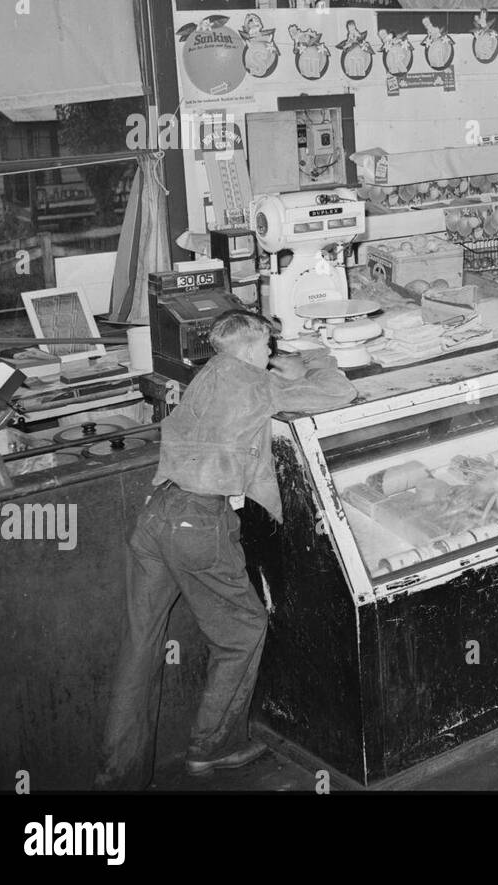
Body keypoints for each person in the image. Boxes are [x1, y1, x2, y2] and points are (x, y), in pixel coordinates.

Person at [94, 310, 357, 788]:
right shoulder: (254, 382)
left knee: (140, 646)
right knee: (243, 632)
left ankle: (118, 777)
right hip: (198, 520)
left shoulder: (209, 372)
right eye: (267, 347)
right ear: (251, 347)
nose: (270, 354)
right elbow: (341, 392)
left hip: (158, 513)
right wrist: (315, 360)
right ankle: (212, 747)